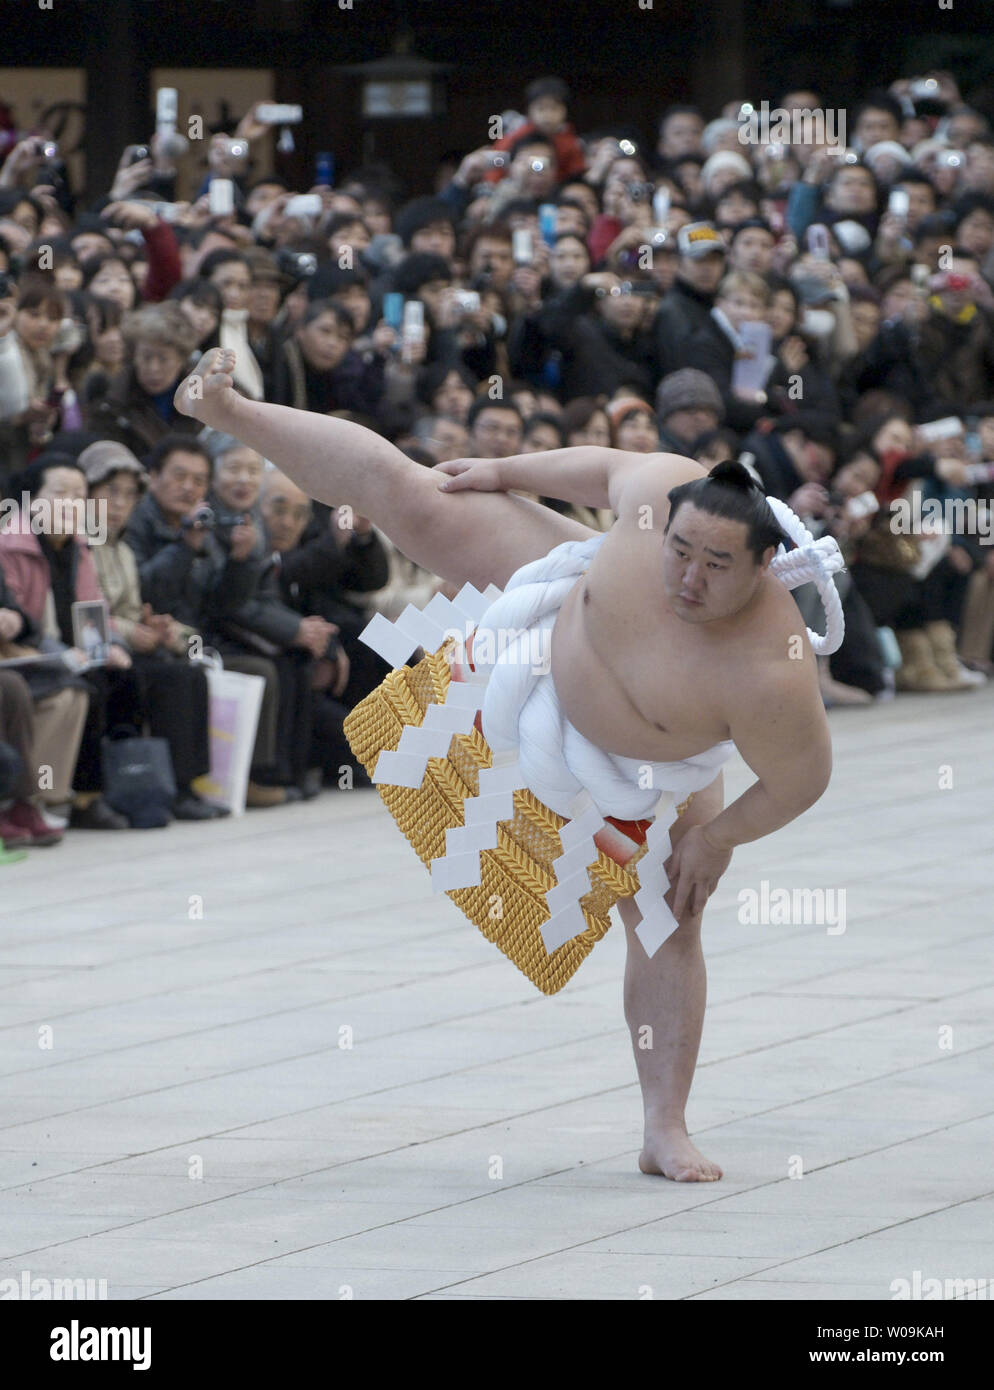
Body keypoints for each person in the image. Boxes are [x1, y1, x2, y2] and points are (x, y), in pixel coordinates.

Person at [173, 347, 838, 1184]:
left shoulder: (770, 668)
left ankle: (664, 1128)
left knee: (670, 919)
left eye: (716, 567)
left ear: (764, 566)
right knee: (418, 491)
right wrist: (504, 470)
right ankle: (229, 410)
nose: (688, 579)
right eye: (680, 552)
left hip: (655, 772)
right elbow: (601, 467)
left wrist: (718, 839)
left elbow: (802, 780)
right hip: (558, 613)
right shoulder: (658, 489)